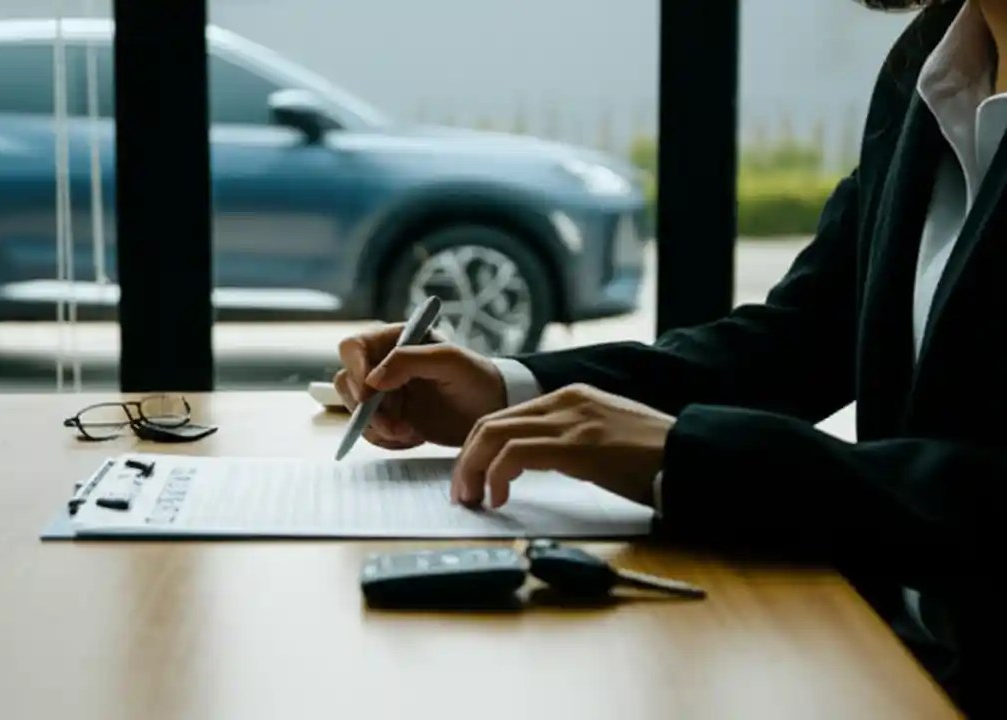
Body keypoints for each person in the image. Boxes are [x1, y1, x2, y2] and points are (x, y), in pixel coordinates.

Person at [334, 0, 998, 714]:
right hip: (889, 659)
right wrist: (509, 390)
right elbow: (798, 340)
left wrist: (687, 456)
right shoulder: (936, 55)